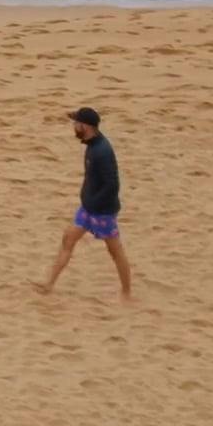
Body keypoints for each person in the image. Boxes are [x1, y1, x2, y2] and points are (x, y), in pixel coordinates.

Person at [40, 106, 133, 299]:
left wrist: (95, 204)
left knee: (115, 251)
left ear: (85, 126)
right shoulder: (91, 145)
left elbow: (112, 185)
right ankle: (48, 285)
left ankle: (127, 293)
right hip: (88, 208)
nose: (74, 126)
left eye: (76, 123)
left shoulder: (102, 151)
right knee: (68, 238)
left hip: (102, 212)